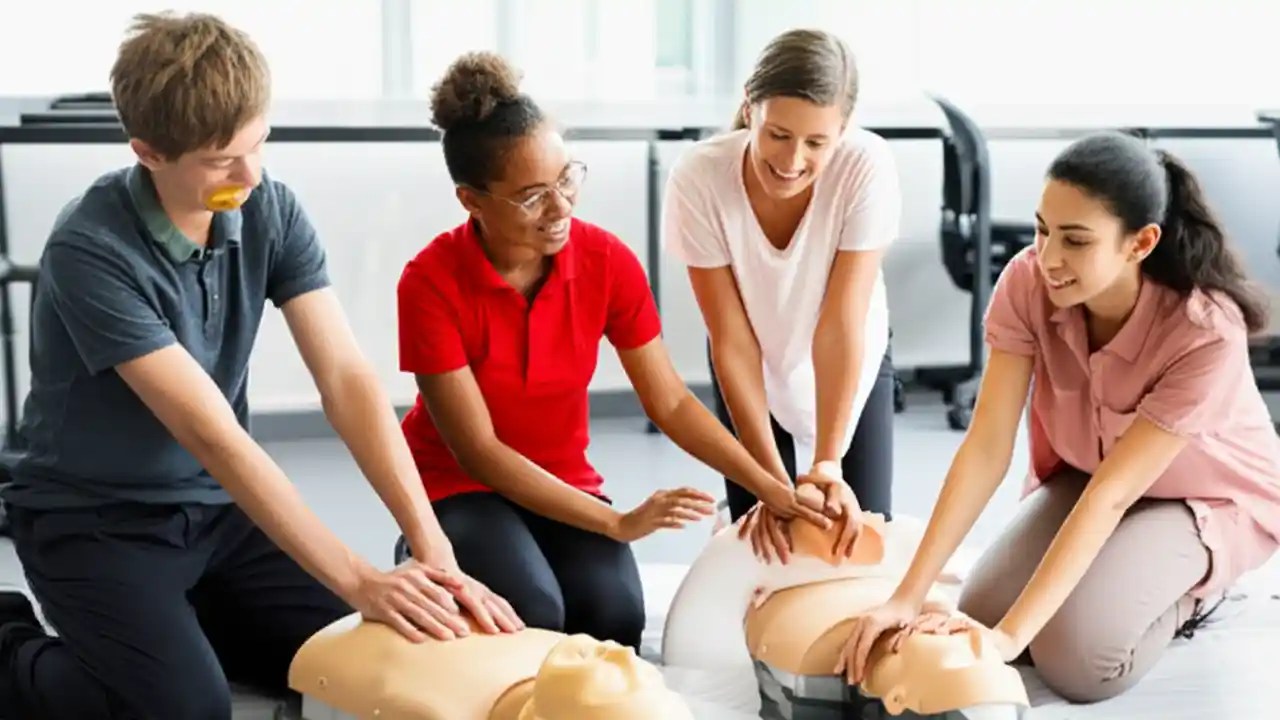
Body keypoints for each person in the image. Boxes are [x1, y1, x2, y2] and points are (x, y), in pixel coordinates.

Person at [0, 13, 520, 720]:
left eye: (257, 145)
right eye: (222, 162)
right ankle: (9, 643)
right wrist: (362, 578)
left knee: (363, 655)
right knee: (186, 711)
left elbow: (346, 380)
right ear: (148, 153)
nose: (250, 175)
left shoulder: (268, 205)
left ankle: (186, 626)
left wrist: (433, 547)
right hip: (96, 522)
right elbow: (215, 435)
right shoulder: (90, 249)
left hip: (216, 516)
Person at [396, 51, 837, 653]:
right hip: (458, 488)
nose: (560, 208)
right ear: (472, 200)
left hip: (563, 480)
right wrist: (617, 522)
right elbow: (479, 453)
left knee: (613, 616)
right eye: (531, 197)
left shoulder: (605, 260)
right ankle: (423, 551)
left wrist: (770, 486)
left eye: (566, 179)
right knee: (534, 611)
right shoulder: (429, 282)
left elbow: (672, 402)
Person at [839, 131, 1280, 704]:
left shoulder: (1202, 329)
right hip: (1089, 476)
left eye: (1075, 240)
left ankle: (1198, 592)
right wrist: (907, 596)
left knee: (1077, 662)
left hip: (1202, 497)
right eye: (1043, 229)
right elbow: (985, 448)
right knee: (979, 611)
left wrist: (1011, 636)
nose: (1048, 258)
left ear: (1140, 243)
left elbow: (1113, 497)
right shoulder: (1027, 281)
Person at [663, 28, 901, 562]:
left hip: (848, 357)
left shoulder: (867, 167)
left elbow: (842, 322)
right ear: (750, 107)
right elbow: (730, 337)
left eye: (817, 143)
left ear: (843, 130)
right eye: (778, 134)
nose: (792, 160)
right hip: (749, 358)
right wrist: (769, 480)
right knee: (764, 545)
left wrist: (827, 464)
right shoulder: (700, 177)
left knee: (852, 542)